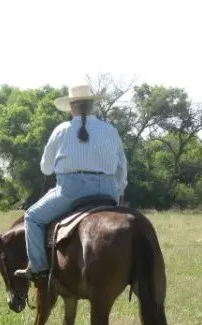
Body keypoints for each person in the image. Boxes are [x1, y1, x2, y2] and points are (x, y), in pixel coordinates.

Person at [14, 84, 128, 281]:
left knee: (32, 217)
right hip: (108, 190)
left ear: (70, 106)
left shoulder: (62, 130)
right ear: (92, 105)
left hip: (71, 189)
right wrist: (118, 190)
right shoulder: (110, 130)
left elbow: (46, 168)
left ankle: (39, 269)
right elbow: (122, 166)